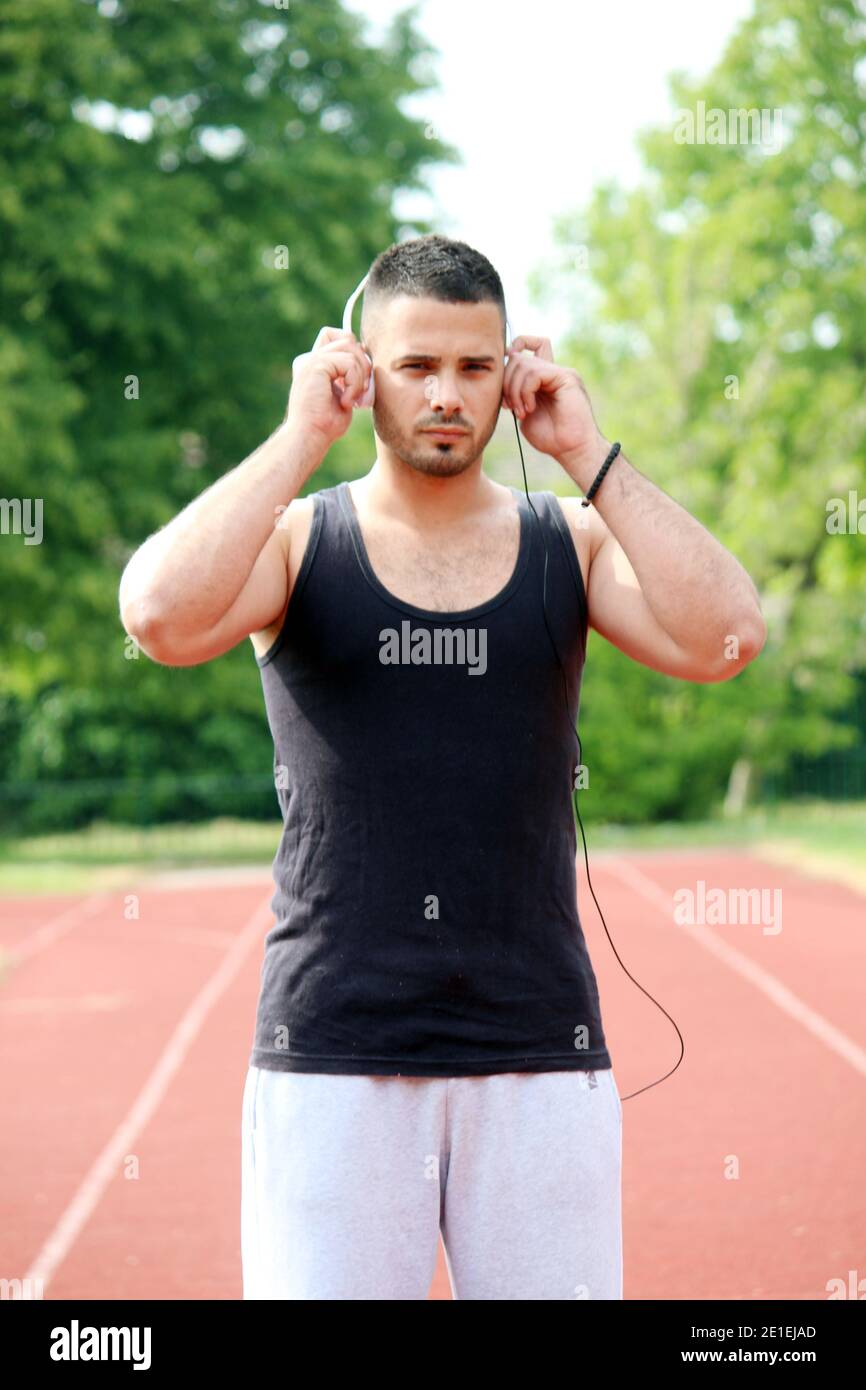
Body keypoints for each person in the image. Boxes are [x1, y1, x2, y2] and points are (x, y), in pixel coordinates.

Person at [118, 234, 766, 1300]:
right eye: (414, 366)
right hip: (334, 1049)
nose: (446, 395)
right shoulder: (291, 545)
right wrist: (298, 435)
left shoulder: (572, 541)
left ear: (509, 375)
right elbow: (155, 614)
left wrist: (587, 453)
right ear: (361, 371)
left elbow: (726, 638)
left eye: (474, 366)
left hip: (537, 1048)